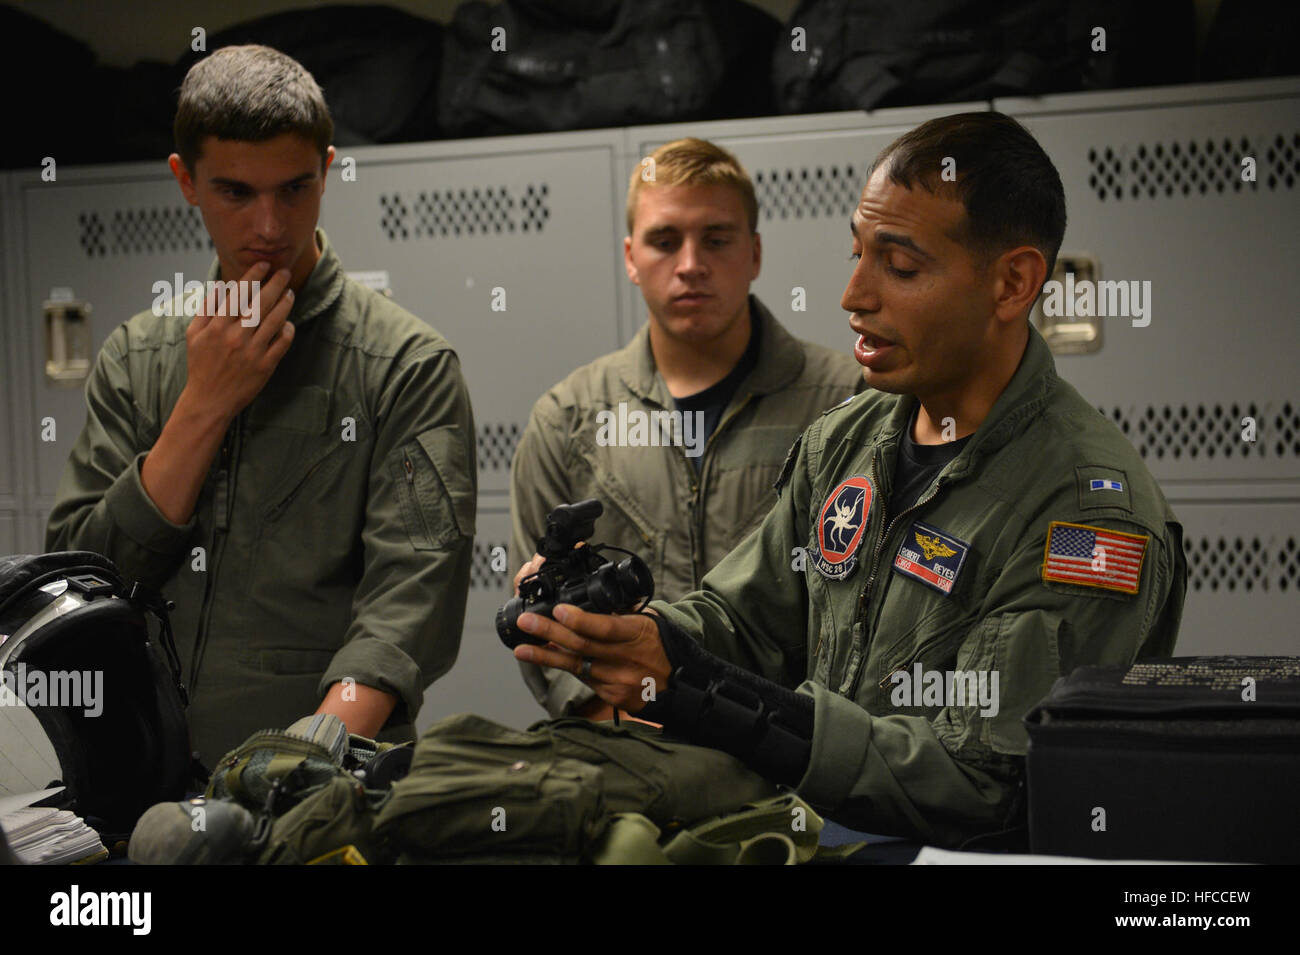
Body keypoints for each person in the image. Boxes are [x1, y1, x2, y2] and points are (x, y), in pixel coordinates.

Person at [509, 112, 1188, 847]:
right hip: (821, 837)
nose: (853, 295)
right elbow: (747, 620)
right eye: (857, 254)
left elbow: (987, 785)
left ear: (1013, 282)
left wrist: (707, 695)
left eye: (899, 267)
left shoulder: (1085, 516)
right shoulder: (849, 437)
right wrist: (619, 632)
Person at [45, 45, 476, 763]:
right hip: (135, 776)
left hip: (320, 785)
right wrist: (204, 404)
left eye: (295, 189)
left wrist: (309, 755)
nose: (270, 227)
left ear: (327, 172)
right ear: (186, 181)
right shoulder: (138, 354)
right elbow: (81, 584)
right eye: (237, 193)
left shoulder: (406, 364)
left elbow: (411, 603)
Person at [510, 137, 863, 719]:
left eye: (717, 239)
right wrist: (625, 725)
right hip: (632, 753)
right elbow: (537, 614)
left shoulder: (849, 403)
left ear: (754, 254)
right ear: (630, 256)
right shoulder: (568, 420)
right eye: (664, 241)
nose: (691, 264)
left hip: (799, 762)